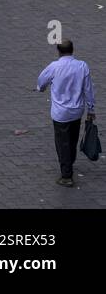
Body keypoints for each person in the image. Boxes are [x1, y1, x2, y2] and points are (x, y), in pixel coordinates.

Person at [37, 40, 96, 187]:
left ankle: (66, 175)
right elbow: (88, 90)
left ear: (59, 51)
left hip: (60, 113)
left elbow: (41, 81)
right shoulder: (82, 66)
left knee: (62, 143)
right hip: (77, 111)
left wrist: (41, 88)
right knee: (72, 139)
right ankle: (70, 162)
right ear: (72, 50)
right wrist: (91, 109)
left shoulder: (54, 66)